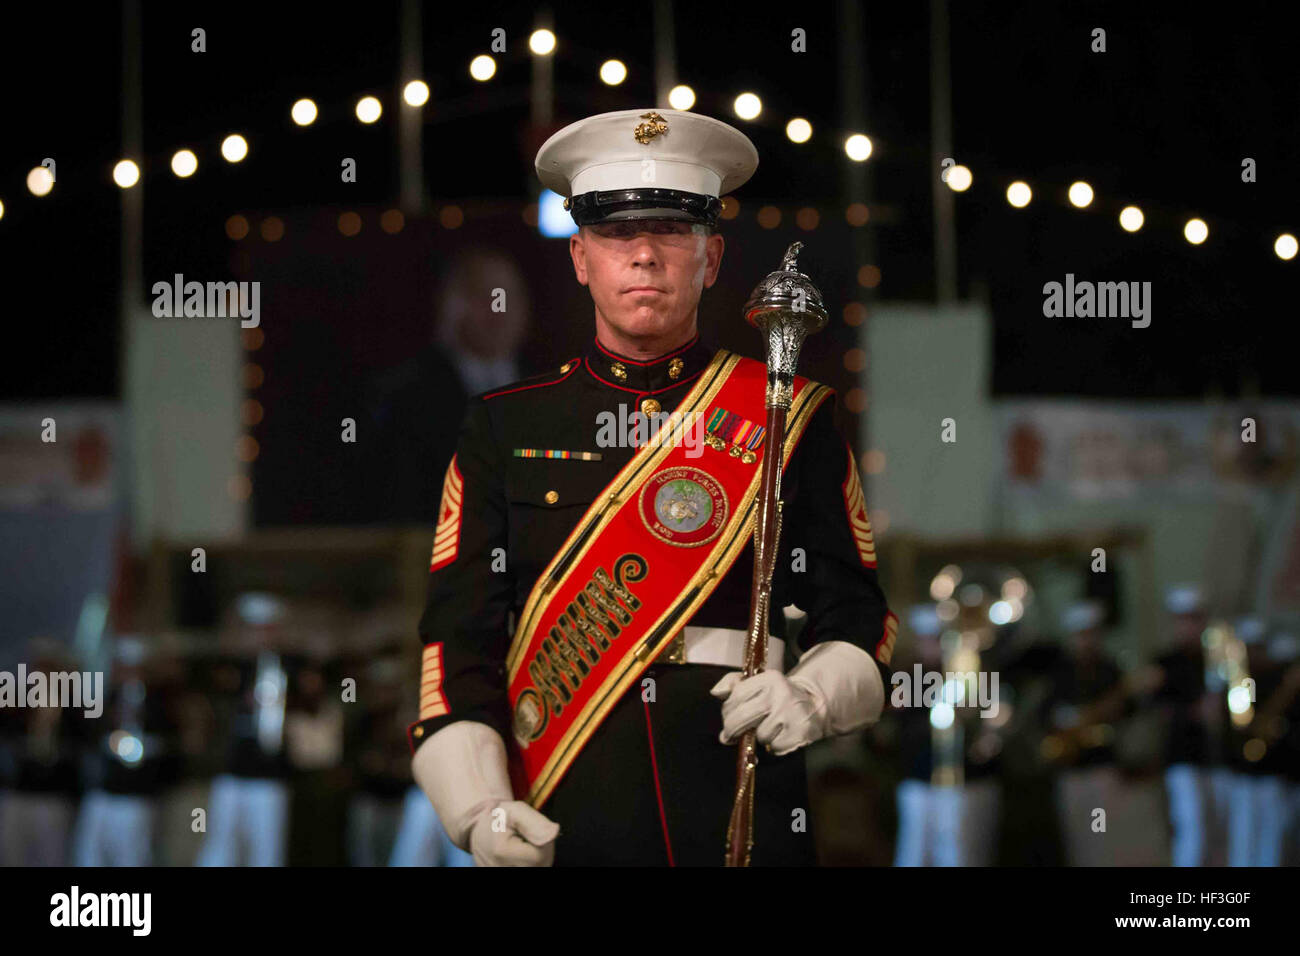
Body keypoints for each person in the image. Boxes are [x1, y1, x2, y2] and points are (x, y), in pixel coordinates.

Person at [408, 108, 896, 866]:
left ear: (710, 256)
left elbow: (860, 616)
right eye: (614, 234)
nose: (643, 254)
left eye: (671, 230)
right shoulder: (503, 425)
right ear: (579, 257)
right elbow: (458, 641)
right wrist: (477, 810)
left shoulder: (789, 413)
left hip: (742, 796)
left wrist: (811, 696)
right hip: (564, 800)